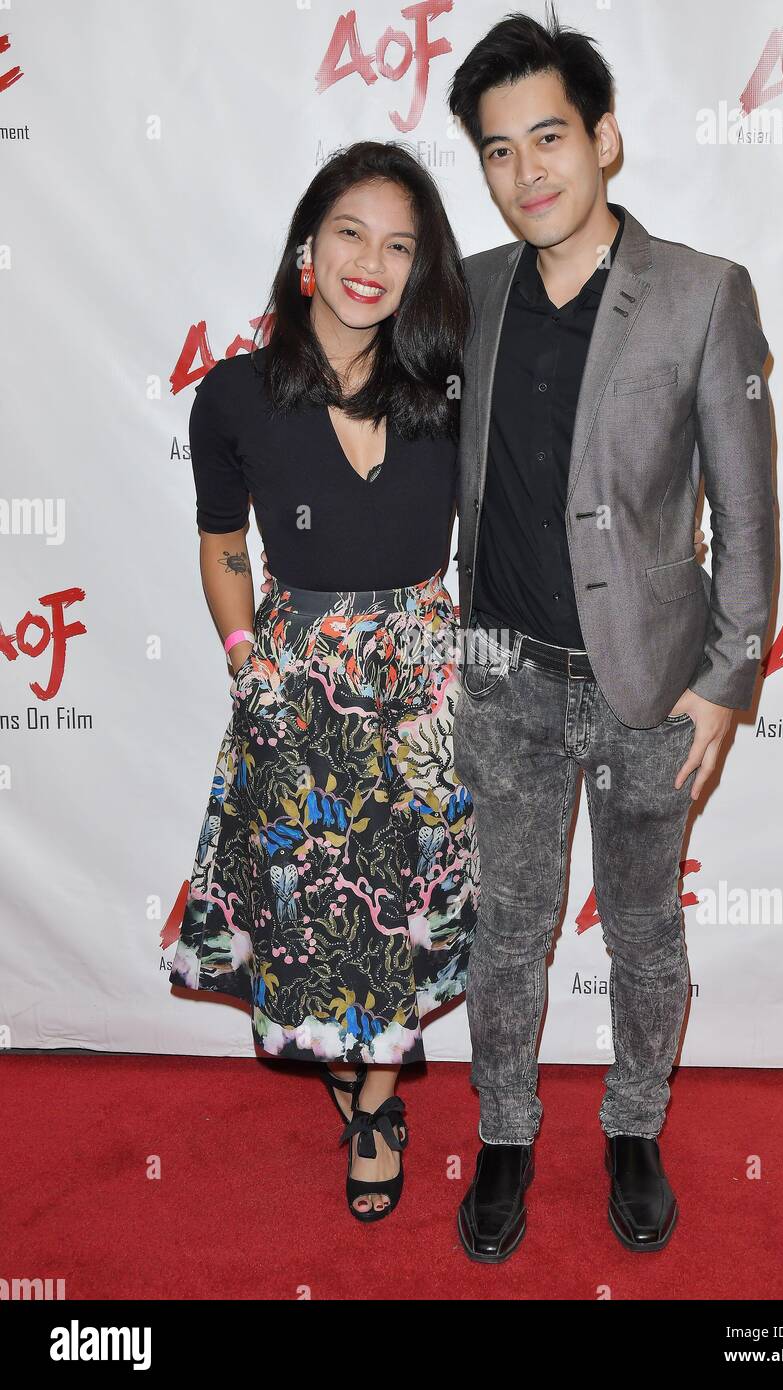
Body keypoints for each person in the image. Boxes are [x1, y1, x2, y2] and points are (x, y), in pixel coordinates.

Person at [446, 7, 776, 1262]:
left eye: (549, 138)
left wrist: (726, 682)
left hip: (654, 687)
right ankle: (508, 1132)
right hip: (504, 677)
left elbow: (747, 510)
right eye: (496, 150)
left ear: (607, 139)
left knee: (644, 928)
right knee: (510, 929)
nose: (526, 171)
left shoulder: (701, 293)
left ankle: (634, 1126)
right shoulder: (470, 292)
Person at [169, 141, 479, 1222]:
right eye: (351, 232)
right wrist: (247, 661)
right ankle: (360, 1076)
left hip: (424, 682)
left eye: (400, 245)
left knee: (399, 908)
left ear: (421, 268)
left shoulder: (450, 384)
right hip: (295, 680)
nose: (371, 263)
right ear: (309, 243)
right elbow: (219, 547)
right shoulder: (236, 395)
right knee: (316, 907)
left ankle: (378, 1099)